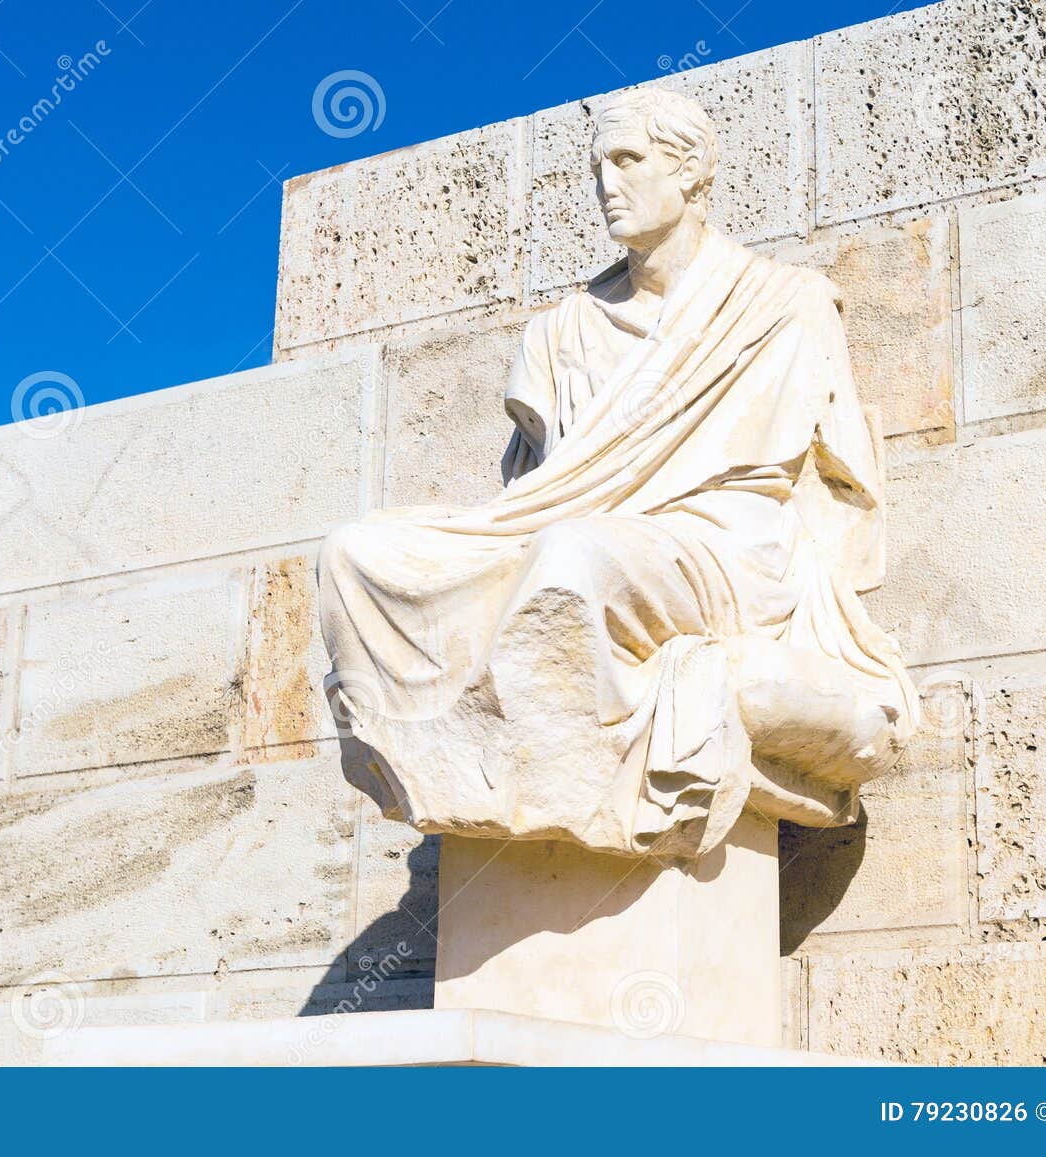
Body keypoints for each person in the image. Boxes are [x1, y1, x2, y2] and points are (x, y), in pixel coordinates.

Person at [319, 87, 916, 859]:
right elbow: (533, 492)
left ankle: (559, 769)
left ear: (692, 169)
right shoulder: (562, 331)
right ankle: (466, 760)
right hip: (581, 529)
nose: (608, 183)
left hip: (727, 550)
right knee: (355, 552)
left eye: (629, 160)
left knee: (575, 556)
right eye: (598, 164)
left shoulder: (783, 303)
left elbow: (842, 489)